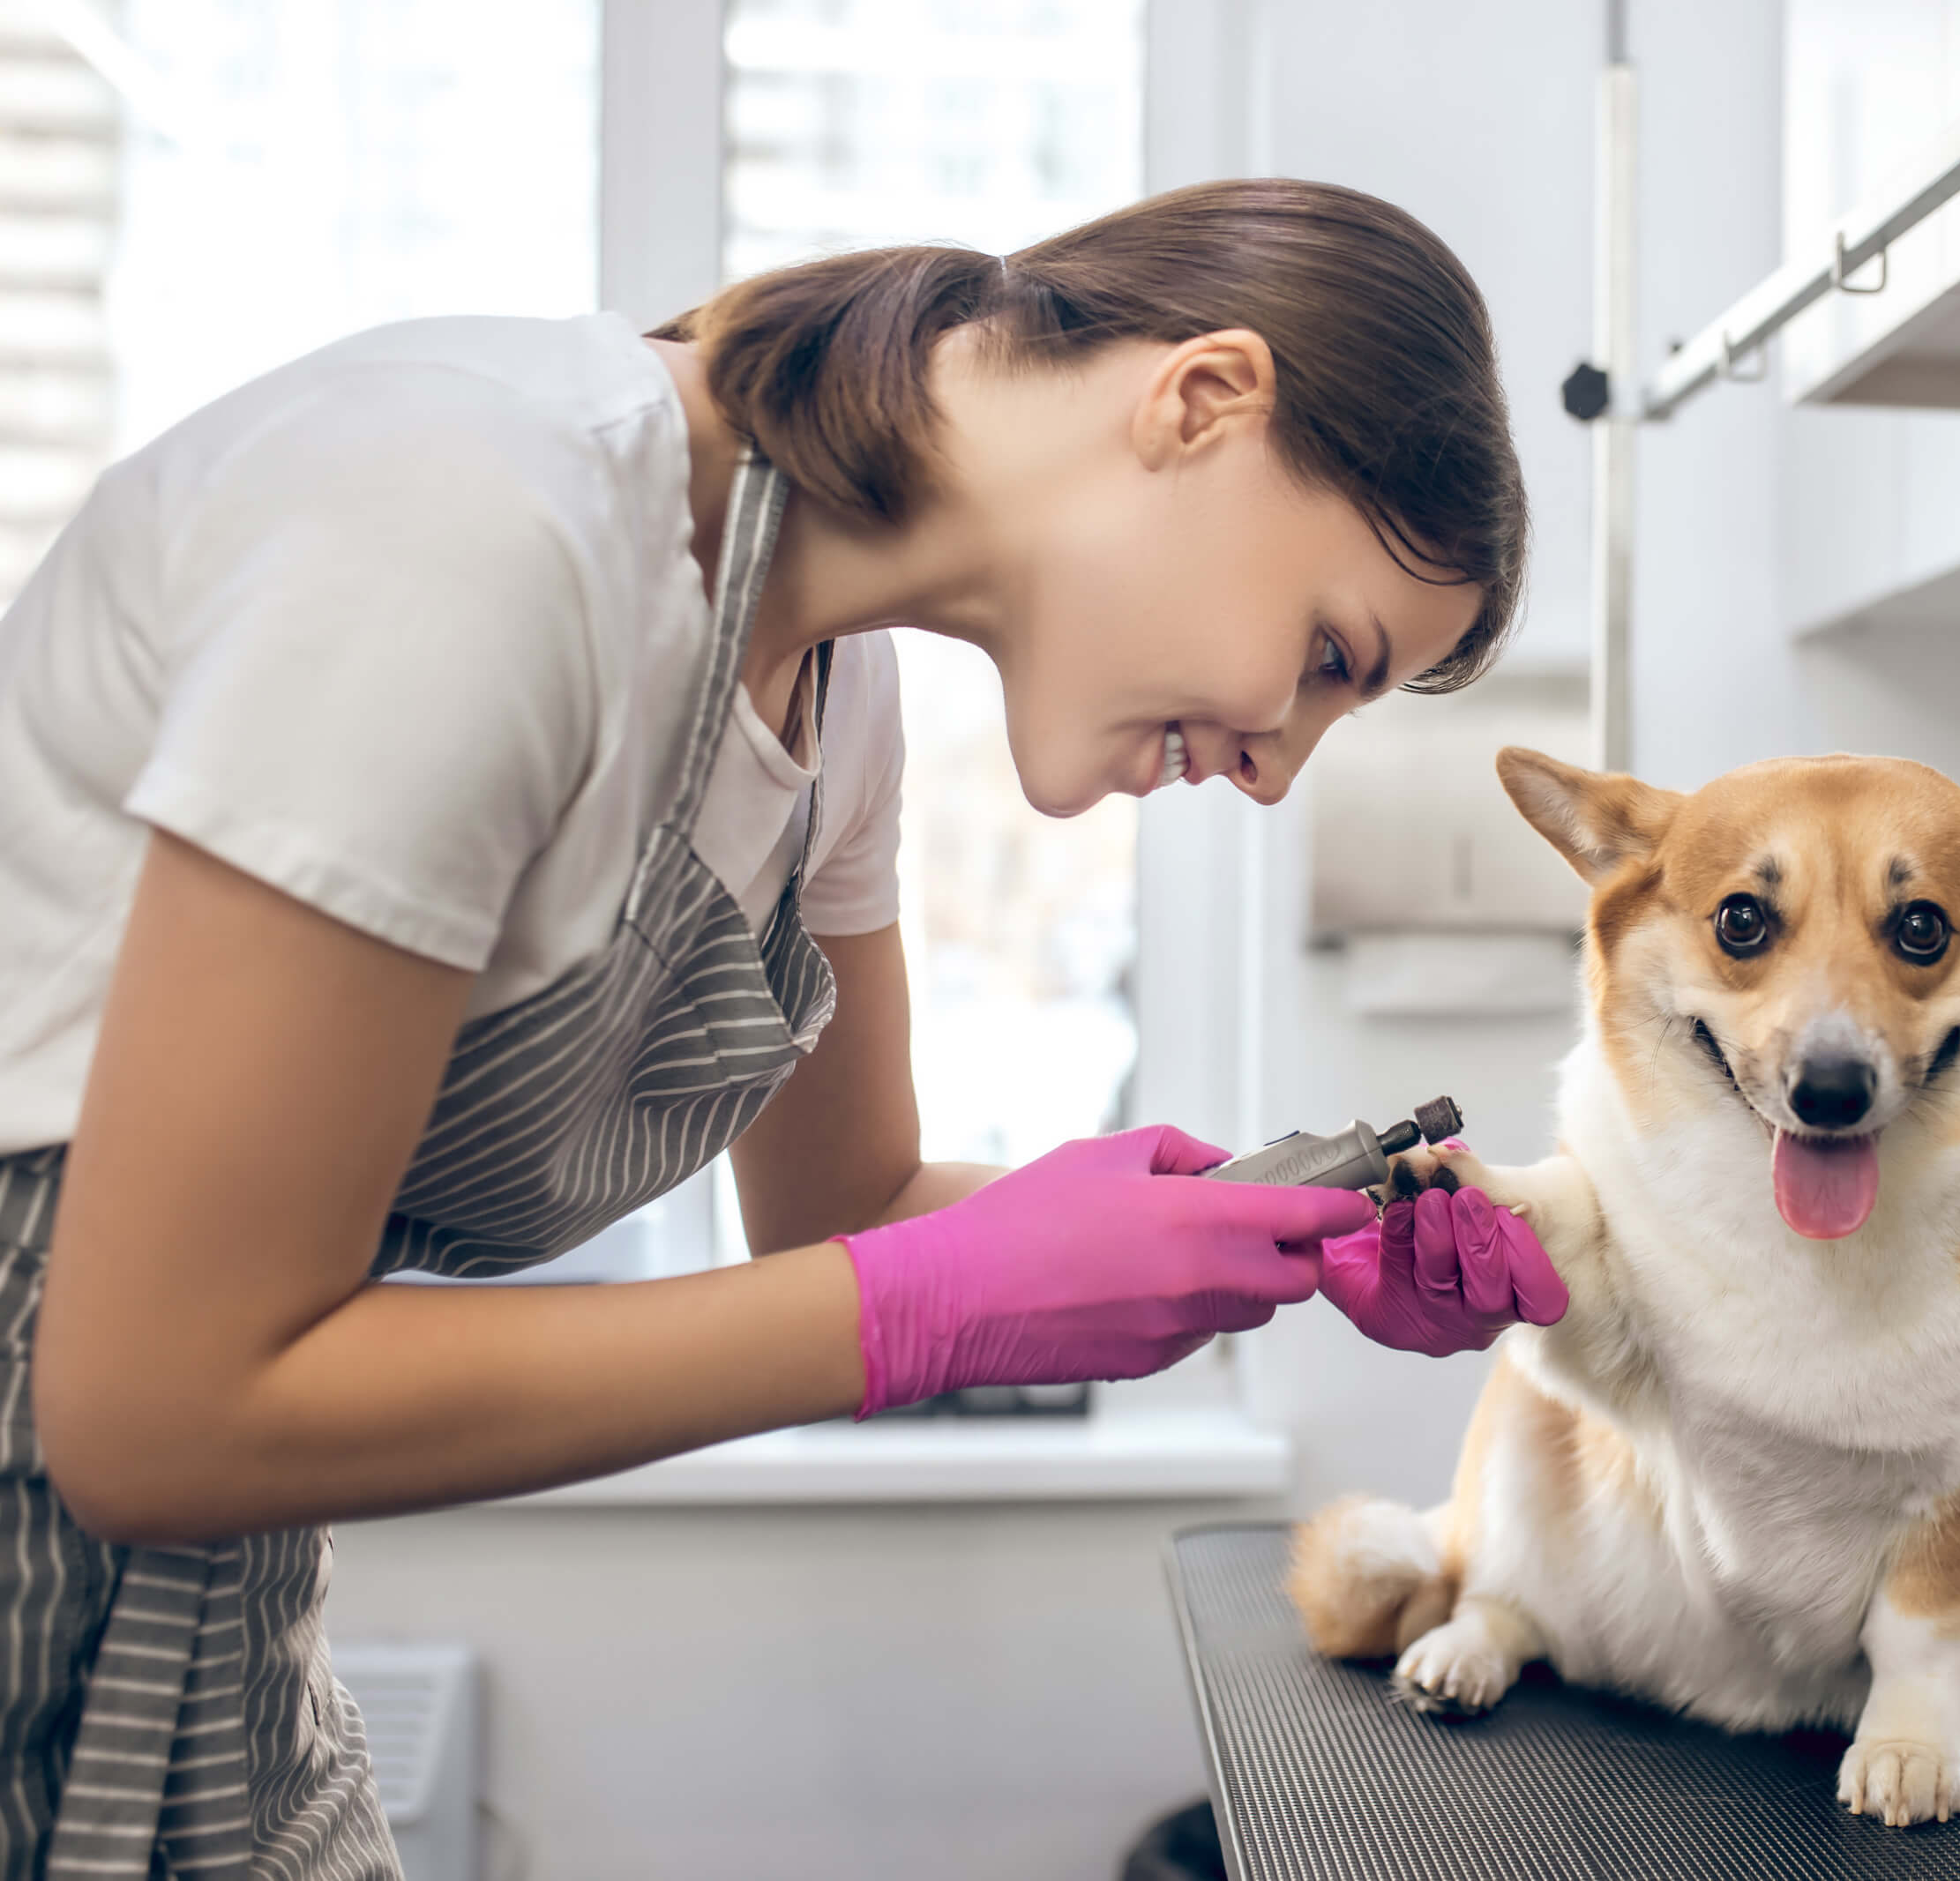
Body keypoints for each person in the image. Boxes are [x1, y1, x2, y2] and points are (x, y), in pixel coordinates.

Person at [0, 178, 1564, 1878]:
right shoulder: (479, 529)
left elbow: (849, 1213)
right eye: (1329, 654)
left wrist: (1272, 1228)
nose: (1276, 761)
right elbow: (157, 1404)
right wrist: (929, 1310)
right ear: (1201, 401)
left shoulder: (836, 697)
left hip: (205, 1643)